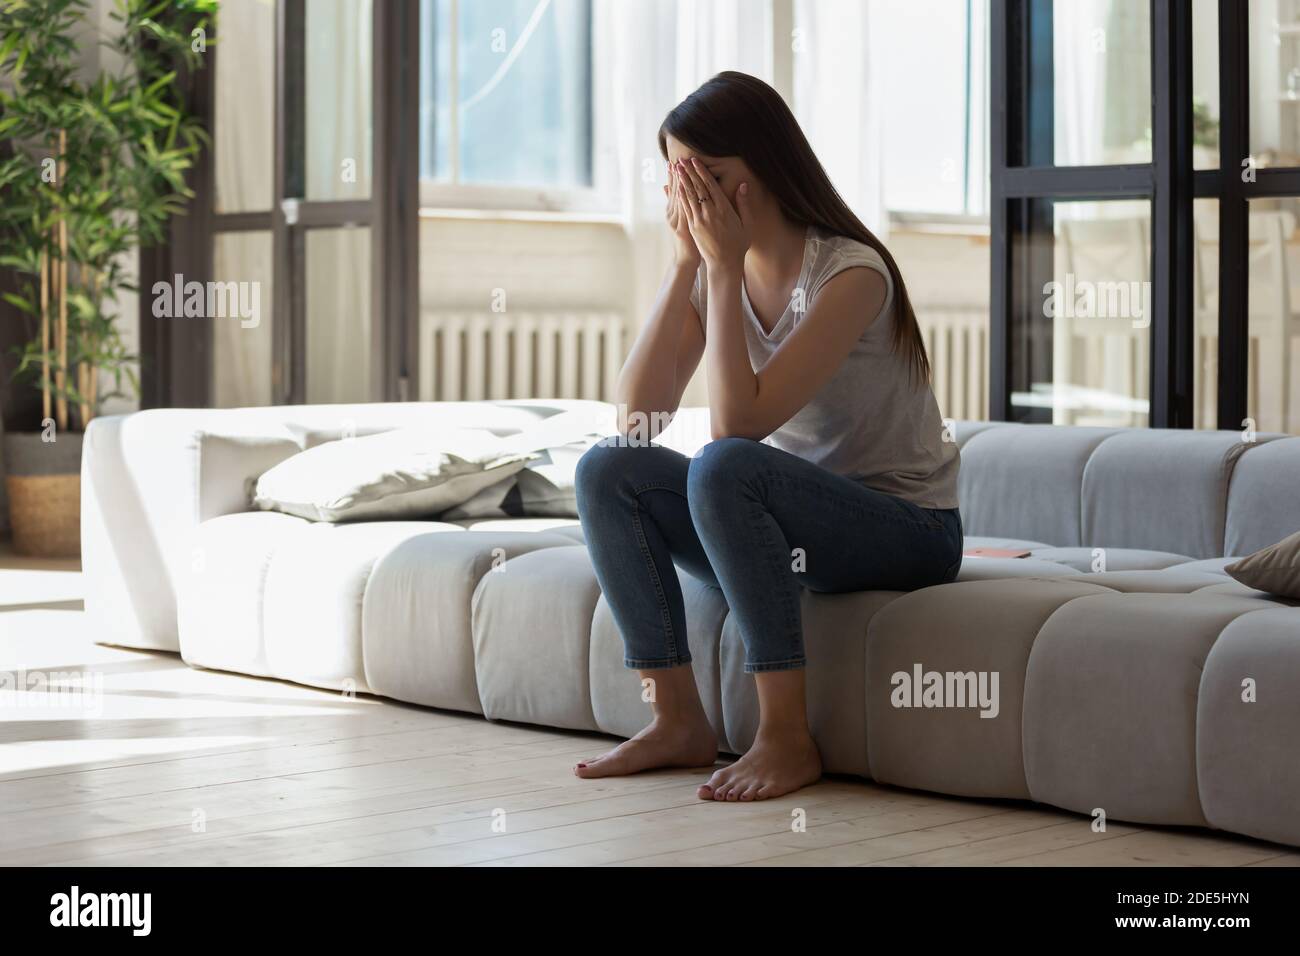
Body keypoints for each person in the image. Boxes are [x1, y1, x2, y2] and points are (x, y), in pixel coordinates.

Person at [574, 71, 963, 802]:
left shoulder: (850, 273)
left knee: (724, 466)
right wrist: (689, 260)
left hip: (905, 529)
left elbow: (737, 428)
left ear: (762, 170)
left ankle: (786, 736)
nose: (697, 201)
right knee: (606, 470)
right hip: (786, 533)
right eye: (681, 182)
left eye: (711, 178)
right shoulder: (714, 269)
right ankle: (678, 720)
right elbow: (637, 421)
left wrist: (718, 268)